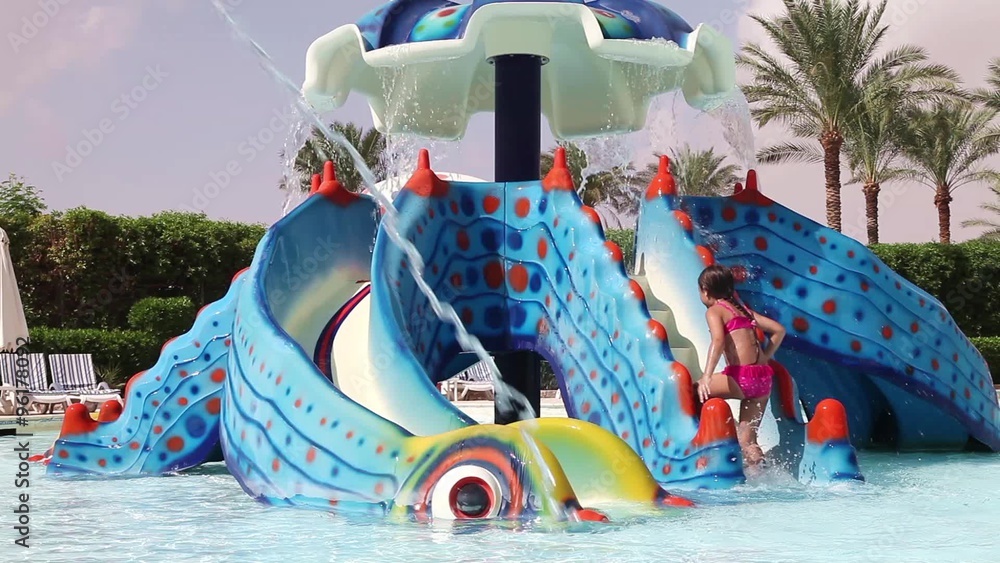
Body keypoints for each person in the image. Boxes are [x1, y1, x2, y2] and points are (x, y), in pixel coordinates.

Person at [695, 265, 786, 466]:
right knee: (748, 440)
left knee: (692, 392)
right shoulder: (743, 310)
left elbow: (717, 341)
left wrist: (706, 377)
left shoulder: (715, 311)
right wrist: (766, 357)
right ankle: (761, 477)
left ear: (705, 290)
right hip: (763, 379)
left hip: (743, 378)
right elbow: (779, 330)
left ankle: (707, 447)